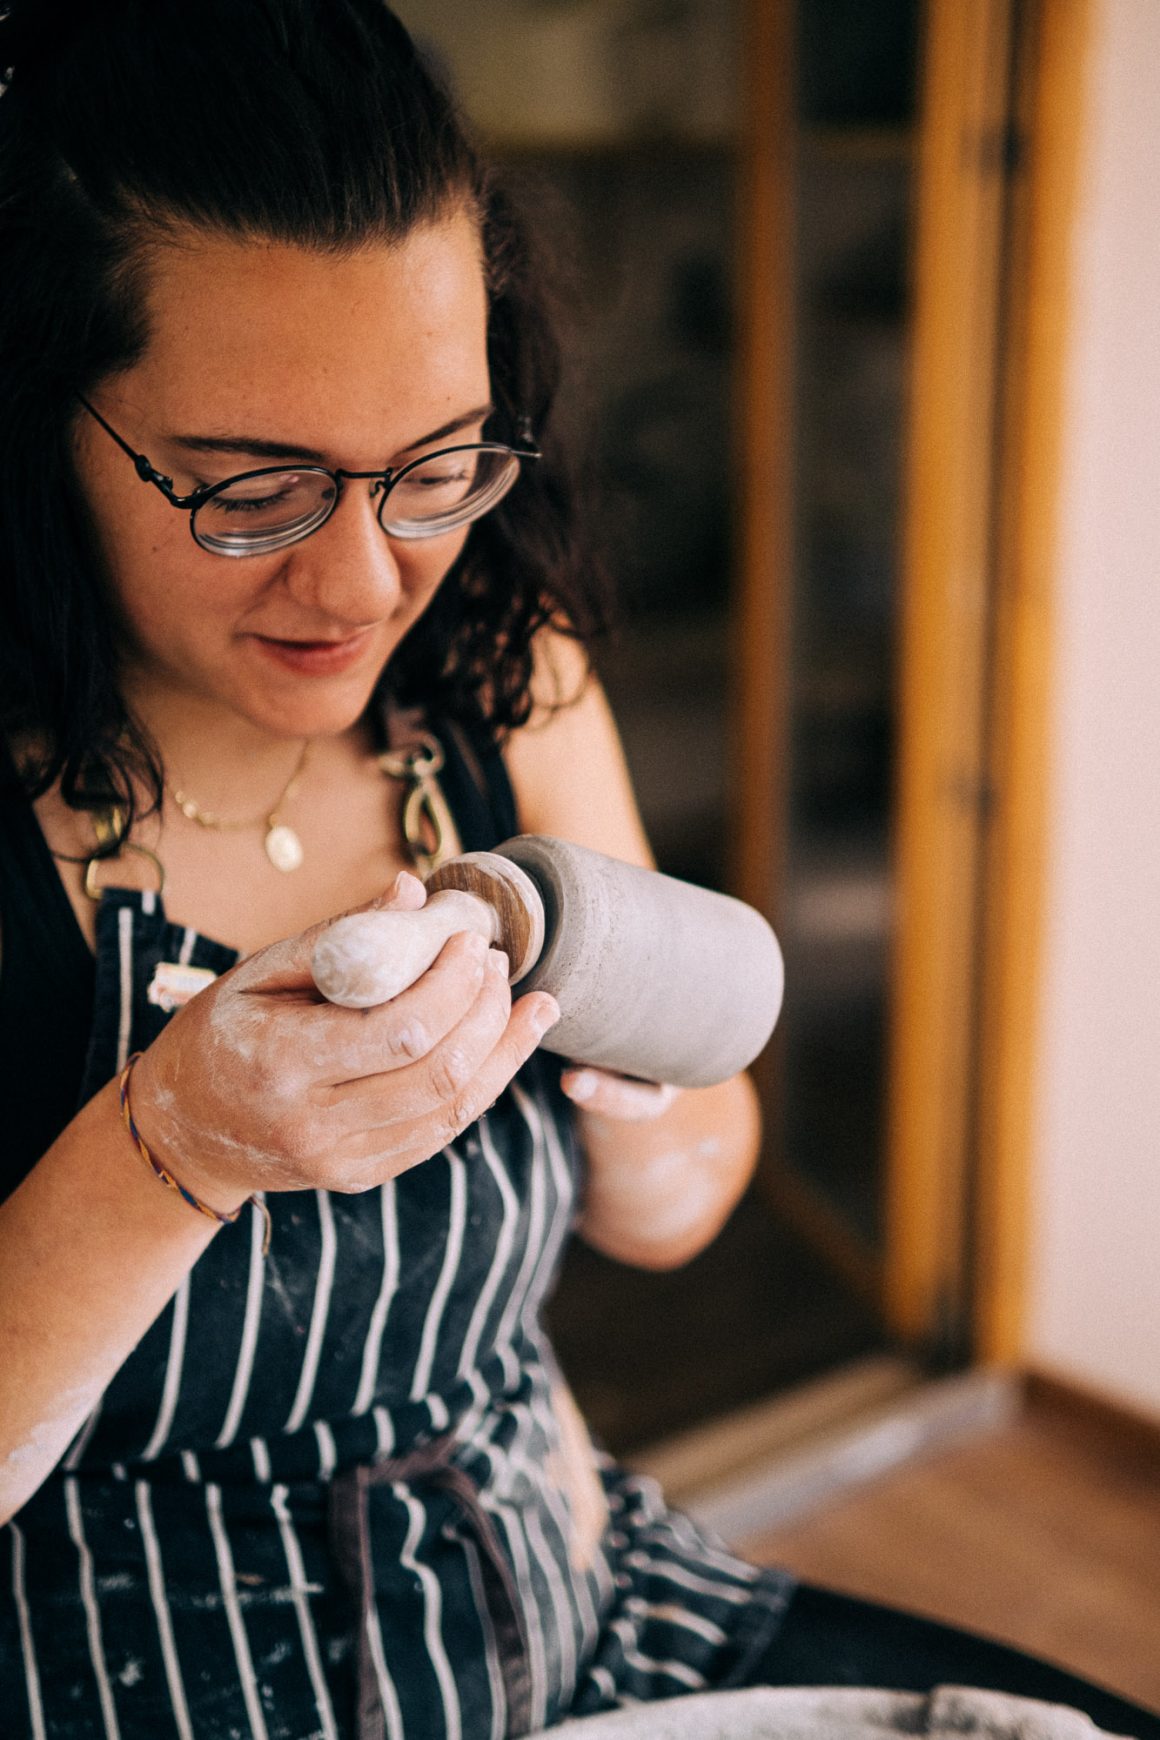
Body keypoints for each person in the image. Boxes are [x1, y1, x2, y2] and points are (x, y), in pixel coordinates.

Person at [0, 5, 1156, 1738]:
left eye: (435, 466)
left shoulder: (499, 672)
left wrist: (621, 1048)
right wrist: (176, 1151)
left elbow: (683, 1202)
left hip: (585, 1617)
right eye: (252, 489)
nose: (370, 580)